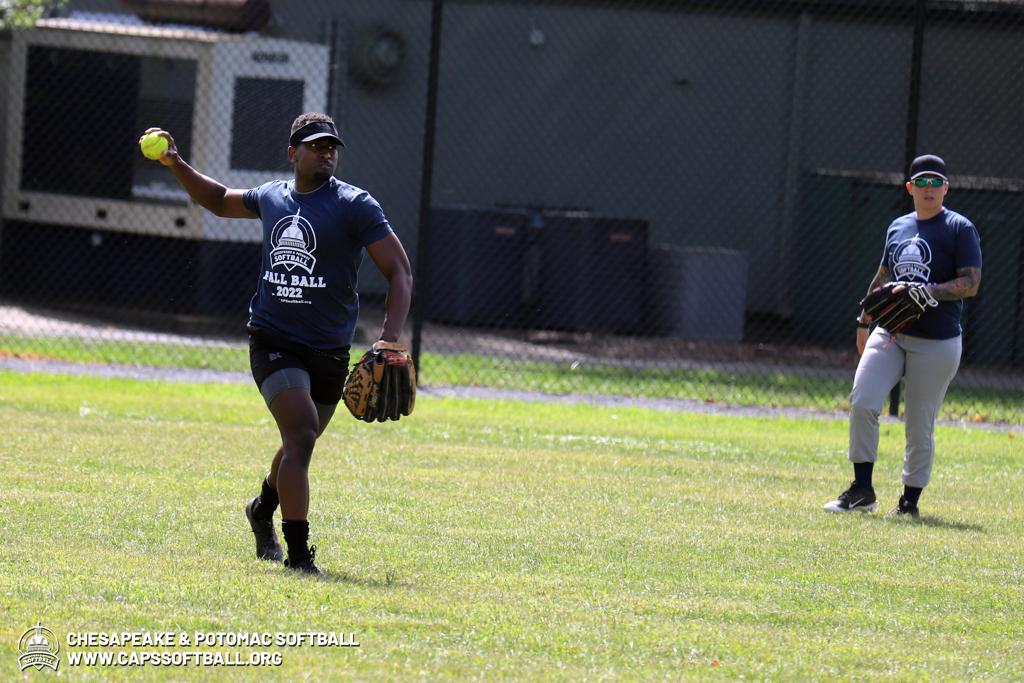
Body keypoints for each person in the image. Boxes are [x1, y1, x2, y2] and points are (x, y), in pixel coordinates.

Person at [141, 113, 413, 573]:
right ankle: (299, 557)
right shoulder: (272, 196)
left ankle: (261, 508)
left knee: (297, 446)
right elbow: (219, 200)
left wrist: (389, 338)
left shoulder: (355, 205)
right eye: (315, 145)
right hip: (273, 337)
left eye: (331, 146)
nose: (326, 152)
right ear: (293, 153)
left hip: (329, 347)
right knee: (302, 430)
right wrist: (176, 163)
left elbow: (399, 271)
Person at [824, 154, 982, 518]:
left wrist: (930, 291)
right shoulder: (898, 227)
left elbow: (971, 283)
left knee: (918, 423)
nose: (929, 189)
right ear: (910, 188)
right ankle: (862, 488)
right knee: (863, 400)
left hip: (937, 341)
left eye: (935, 182)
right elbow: (881, 277)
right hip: (892, 332)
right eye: (921, 182)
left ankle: (909, 502)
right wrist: (864, 319)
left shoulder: (959, 228)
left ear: (946, 187)